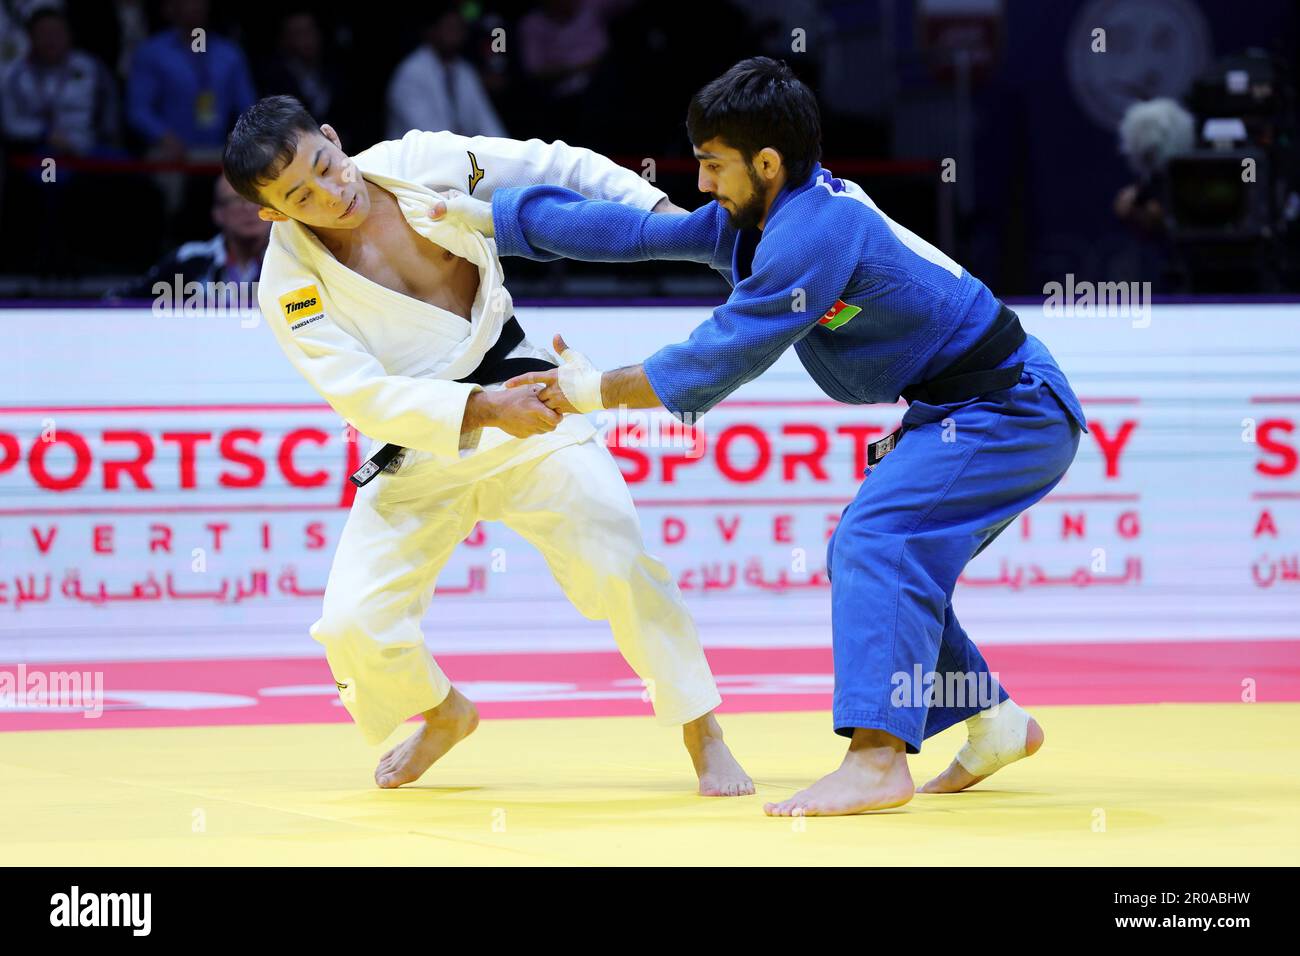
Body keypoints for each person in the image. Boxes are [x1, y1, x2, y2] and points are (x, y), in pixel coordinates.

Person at [434, 57, 1088, 816]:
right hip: (963, 407)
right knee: (893, 555)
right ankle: (996, 722)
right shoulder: (766, 217)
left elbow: (719, 354)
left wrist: (591, 391)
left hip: (1012, 408)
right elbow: (637, 233)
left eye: (713, 165)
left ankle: (878, 760)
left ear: (767, 163)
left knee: (878, 540)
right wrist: (493, 219)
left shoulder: (816, 232)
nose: (703, 183)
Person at [222, 94, 753, 796]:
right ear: (272, 214)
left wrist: (666, 220)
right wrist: (479, 408)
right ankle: (444, 713)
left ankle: (701, 729)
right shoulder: (290, 284)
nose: (331, 193)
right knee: (354, 624)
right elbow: (360, 395)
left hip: (528, 393)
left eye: (326, 165)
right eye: (300, 195)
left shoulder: (420, 164)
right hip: (421, 444)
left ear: (333, 136)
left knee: (619, 560)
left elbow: (554, 166)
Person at [106, 174, 268, 304]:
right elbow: (117, 299)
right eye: (237, 200)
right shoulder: (189, 260)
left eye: (257, 199)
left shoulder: (290, 259)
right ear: (218, 214)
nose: (249, 208)